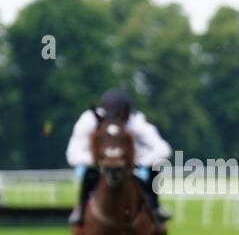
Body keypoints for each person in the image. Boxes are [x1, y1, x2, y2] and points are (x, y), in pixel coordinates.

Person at [65, 90, 172, 226]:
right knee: (89, 173)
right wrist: (99, 161)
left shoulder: (136, 120)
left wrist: (136, 161)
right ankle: (81, 209)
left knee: (153, 169)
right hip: (98, 165)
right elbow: (72, 154)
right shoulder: (89, 120)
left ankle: (155, 208)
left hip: (129, 165)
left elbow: (163, 149)